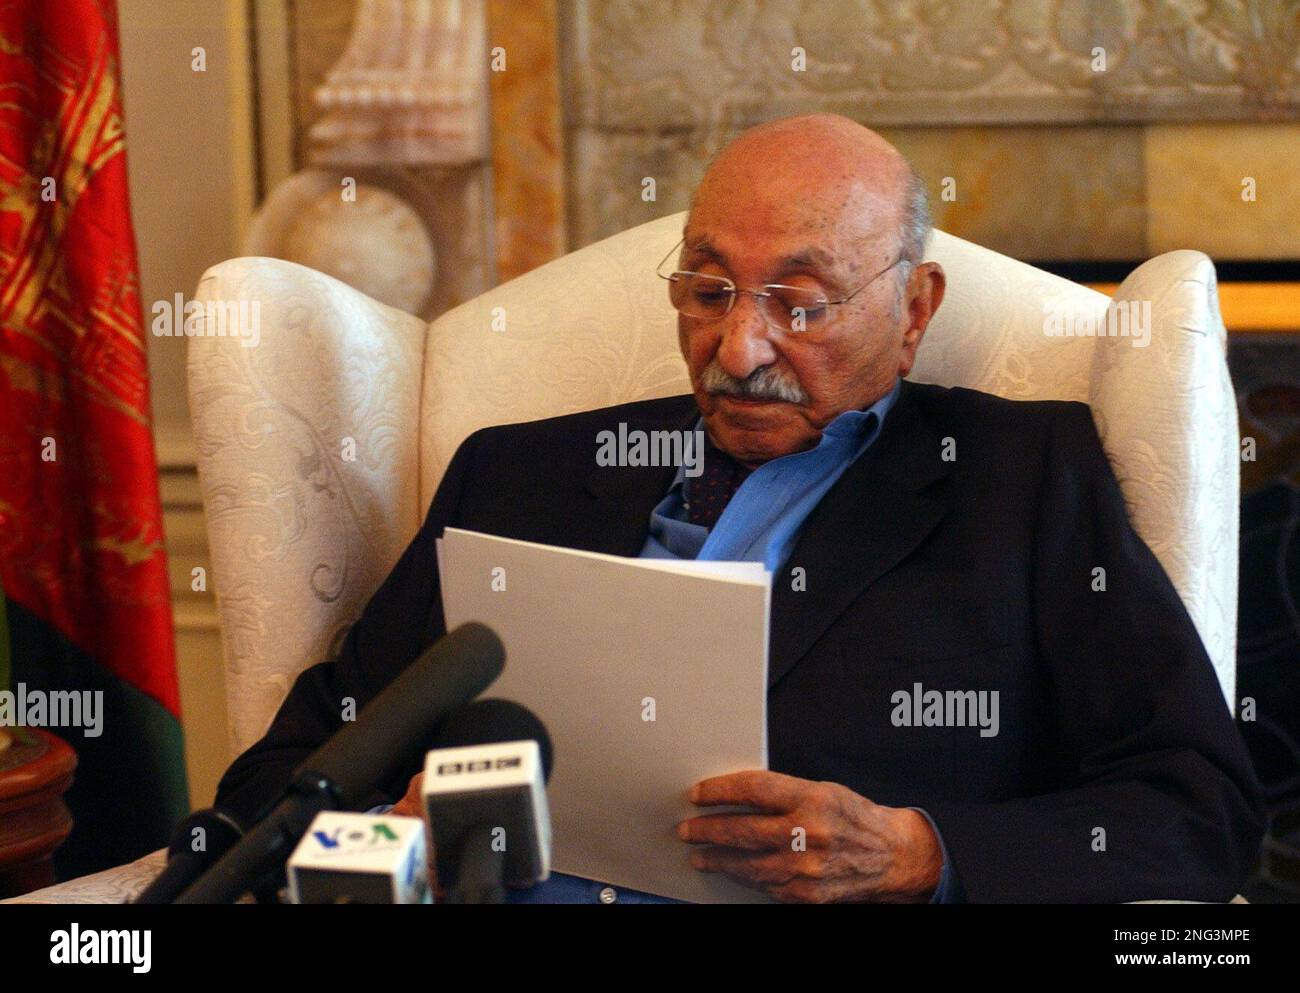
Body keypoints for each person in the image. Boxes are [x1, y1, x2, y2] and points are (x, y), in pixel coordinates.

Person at [214, 114, 1264, 903]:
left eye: (800, 305)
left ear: (914, 312)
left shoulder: (1021, 478)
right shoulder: (515, 477)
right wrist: (388, 841)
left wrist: (918, 852)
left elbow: (1197, 806)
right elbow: (283, 776)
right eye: (709, 292)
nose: (739, 349)